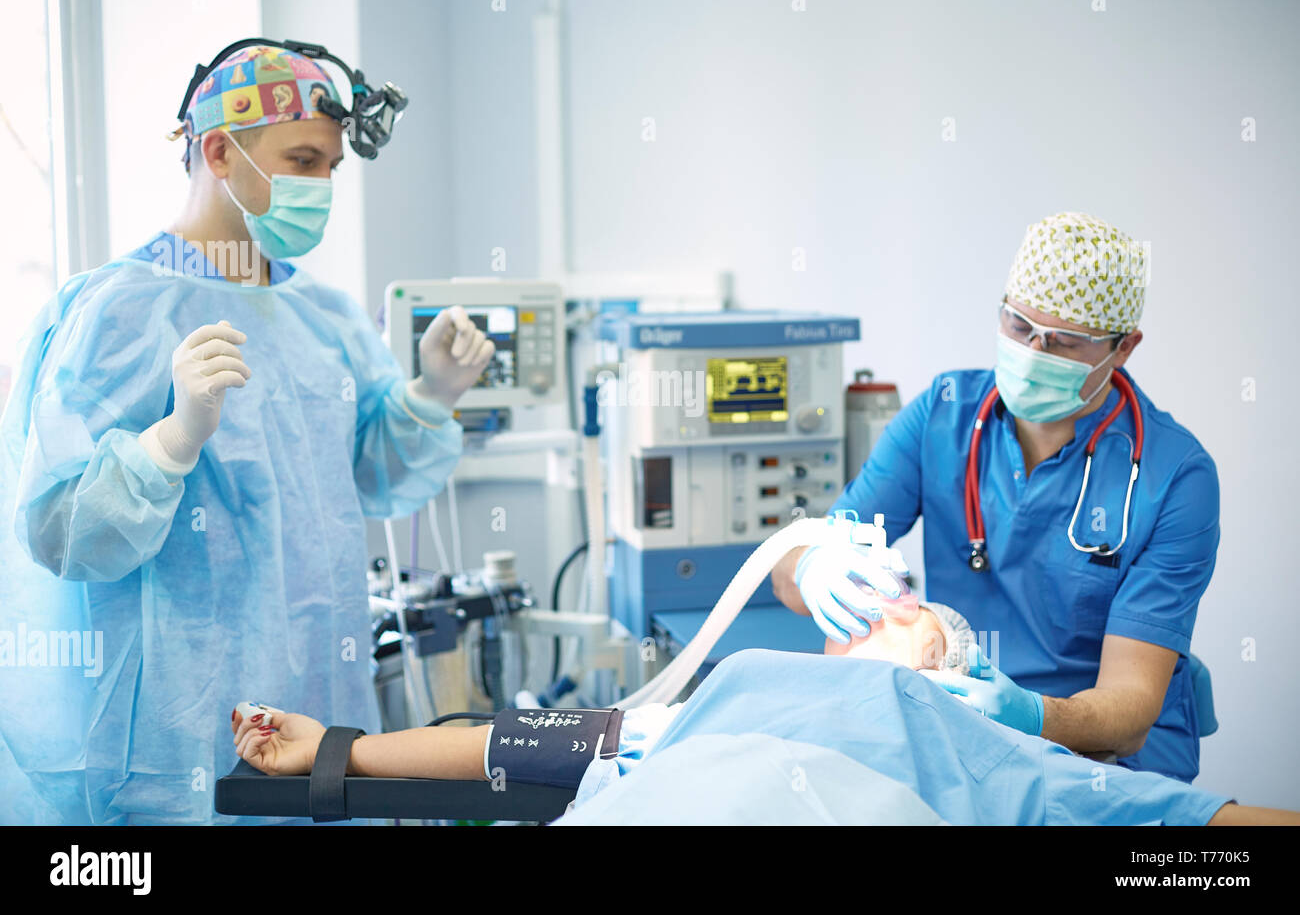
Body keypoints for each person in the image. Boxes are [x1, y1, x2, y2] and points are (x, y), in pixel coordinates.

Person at [0, 43, 493, 824]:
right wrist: (170, 441)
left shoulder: (324, 317)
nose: (320, 186)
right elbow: (64, 532)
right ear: (220, 149)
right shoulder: (118, 313)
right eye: (301, 159)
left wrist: (432, 394)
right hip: (174, 735)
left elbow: (373, 472)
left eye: (331, 166)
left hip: (321, 701)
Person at [771, 212, 1218, 784]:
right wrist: (813, 565)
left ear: (1123, 348)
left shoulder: (1174, 475)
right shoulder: (945, 413)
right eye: (1019, 325)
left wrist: (1028, 716)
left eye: (1064, 342)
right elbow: (788, 565)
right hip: (961, 742)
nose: (1035, 350)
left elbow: (1129, 711)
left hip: (1106, 765)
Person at [230, 600, 1294, 825]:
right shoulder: (726, 691)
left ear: (949, 666)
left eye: (912, 613)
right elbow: (506, 742)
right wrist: (336, 747)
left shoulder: (983, 742)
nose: (879, 611)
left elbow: (1178, 820)